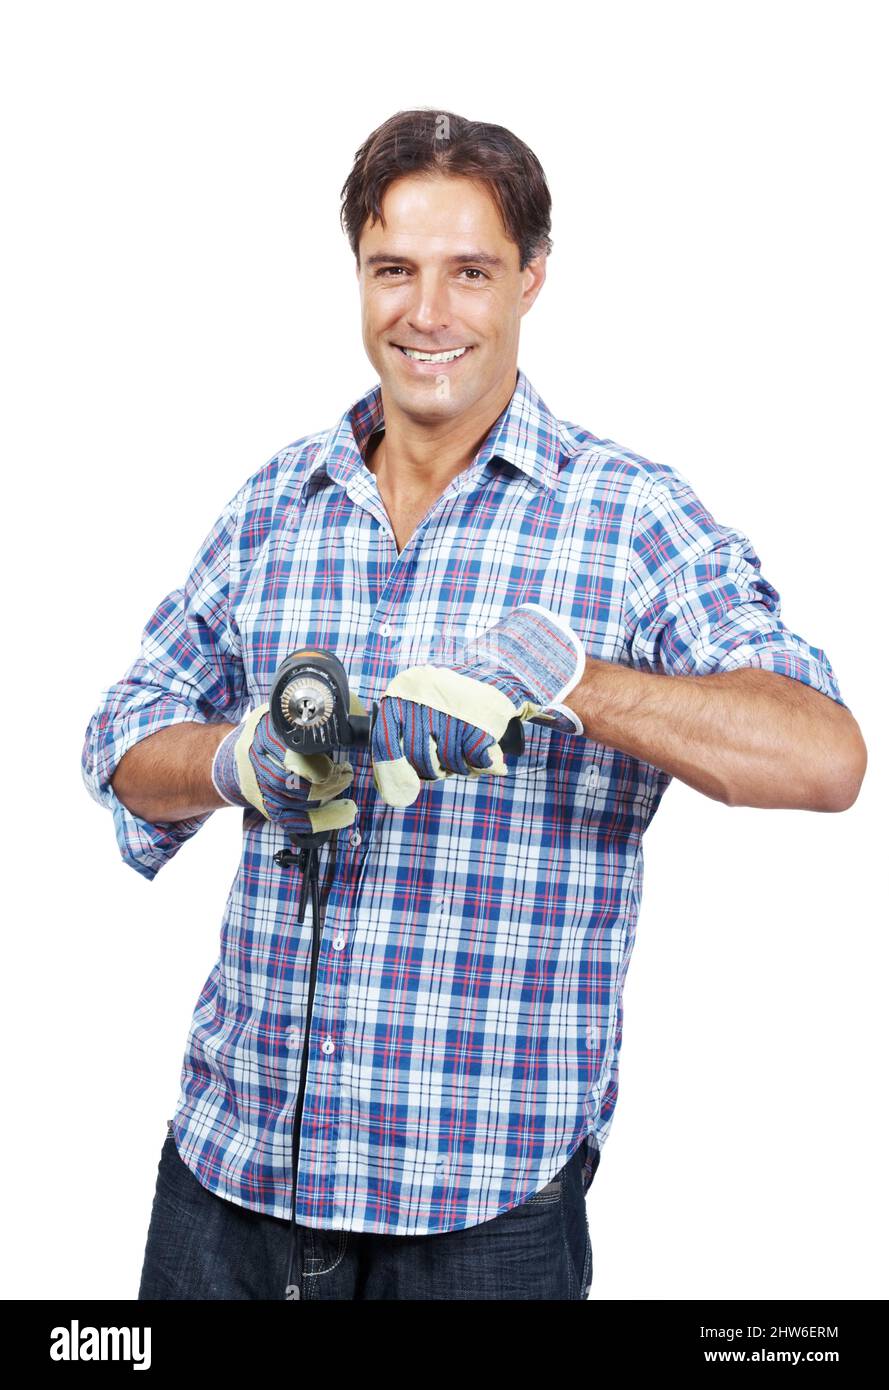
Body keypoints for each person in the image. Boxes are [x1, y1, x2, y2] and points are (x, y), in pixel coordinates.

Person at [81, 108, 867, 1302]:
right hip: (224, 1186)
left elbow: (823, 756)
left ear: (531, 281)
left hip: (478, 1214)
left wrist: (567, 680)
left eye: (470, 273)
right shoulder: (275, 505)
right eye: (393, 270)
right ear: (357, 274)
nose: (426, 313)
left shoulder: (627, 519)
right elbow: (121, 736)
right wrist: (239, 760)